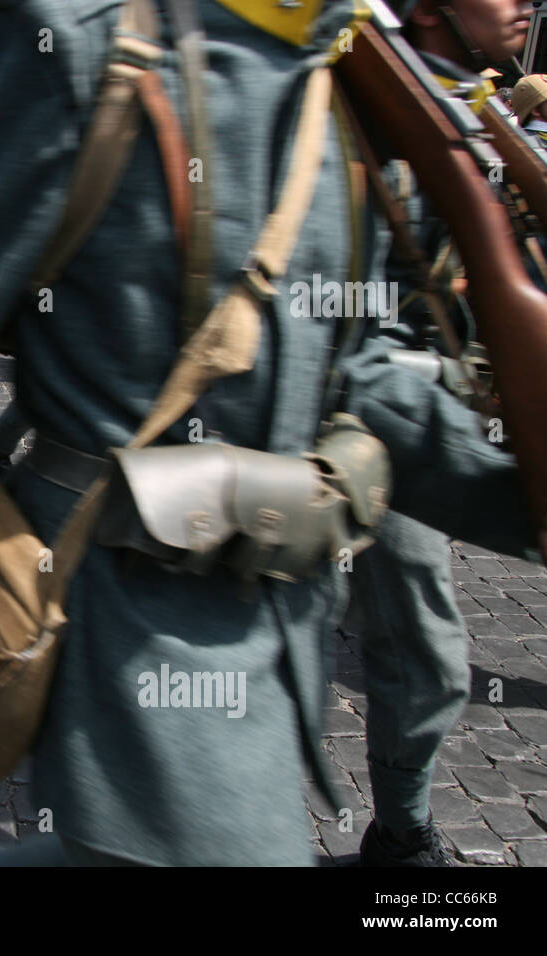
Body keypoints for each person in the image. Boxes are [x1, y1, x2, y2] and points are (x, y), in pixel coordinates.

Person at [0, 0, 539, 865]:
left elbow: (359, 361)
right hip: (125, 610)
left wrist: (515, 502)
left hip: (281, 614)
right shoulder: (66, 35)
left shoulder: (324, 62)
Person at [339, 0, 535, 867]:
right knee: (421, 644)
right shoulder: (375, 110)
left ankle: (396, 831)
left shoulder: (472, 112)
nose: (522, 3)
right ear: (428, 9)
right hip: (371, 427)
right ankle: (405, 835)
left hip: (444, 408)